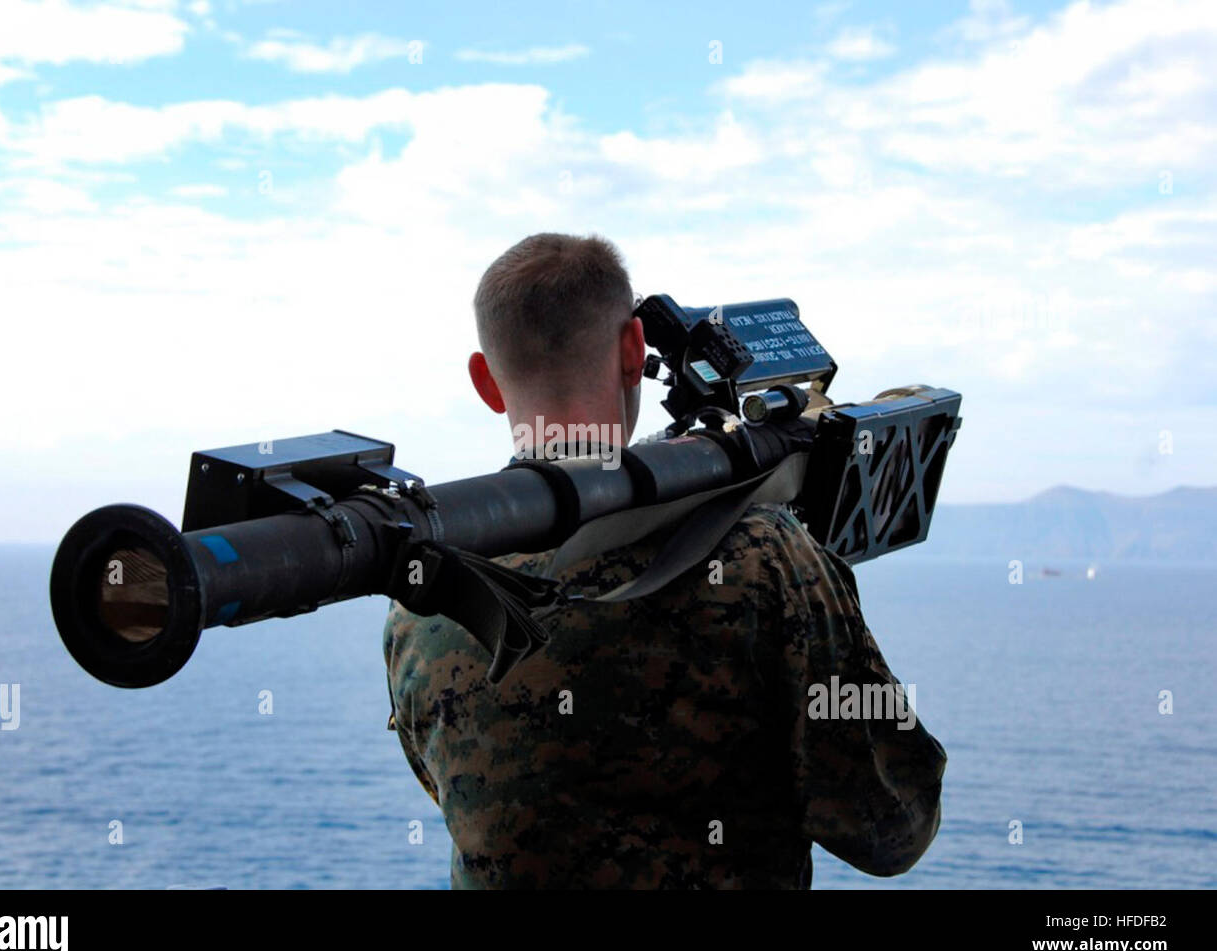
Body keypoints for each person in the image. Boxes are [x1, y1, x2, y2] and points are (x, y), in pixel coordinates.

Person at [383, 232, 947, 888]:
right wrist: (827, 597)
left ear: (485, 381)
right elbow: (894, 826)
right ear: (632, 351)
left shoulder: (425, 601)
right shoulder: (767, 561)